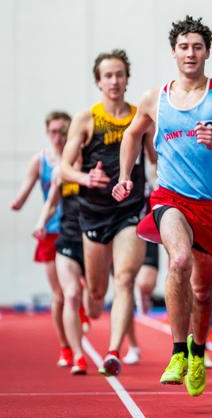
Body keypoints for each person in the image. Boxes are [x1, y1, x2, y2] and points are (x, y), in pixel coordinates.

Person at [113, 15, 212, 397]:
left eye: (197, 47)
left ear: (205, 52)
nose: (190, 53)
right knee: (179, 261)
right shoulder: (156, 98)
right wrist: (125, 177)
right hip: (171, 198)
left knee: (203, 292)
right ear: (174, 52)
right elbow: (132, 135)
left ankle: (198, 353)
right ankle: (177, 350)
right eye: (183, 47)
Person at [59, 49, 152, 377]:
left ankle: (113, 351)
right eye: (108, 75)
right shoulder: (87, 119)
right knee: (96, 295)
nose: (114, 80)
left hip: (130, 209)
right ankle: (91, 311)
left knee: (125, 278)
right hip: (94, 213)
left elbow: (155, 157)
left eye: (119, 74)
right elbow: (63, 169)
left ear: (128, 79)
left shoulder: (141, 115)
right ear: (99, 82)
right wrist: (87, 177)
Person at [10, 111, 72, 367]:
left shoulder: (76, 158)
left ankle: (78, 308)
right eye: (53, 132)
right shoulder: (41, 161)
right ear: (48, 133)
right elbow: (26, 187)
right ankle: (65, 347)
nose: (58, 137)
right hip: (50, 230)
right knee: (59, 294)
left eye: (62, 132)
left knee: (80, 290)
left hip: (76, 228)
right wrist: (19, 201)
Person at [36, 156, 90, 374]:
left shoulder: (96, 167)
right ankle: (78, 355)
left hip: (94, 241)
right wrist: (40, 223)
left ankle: (88, 305)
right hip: (67, 239)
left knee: (95, 301)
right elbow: (51, 203)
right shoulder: (61, 172)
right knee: (70, 295)